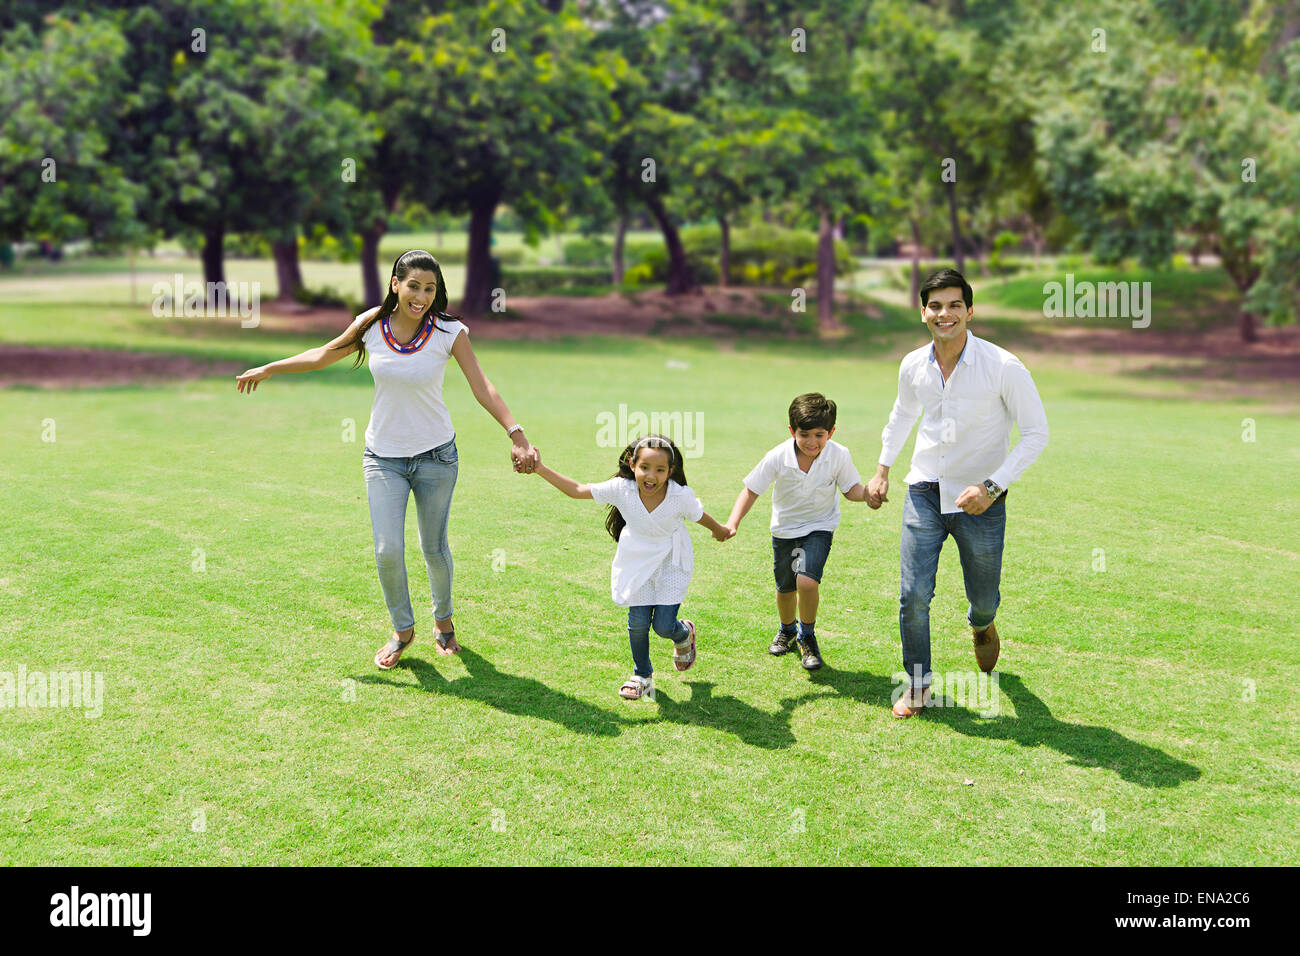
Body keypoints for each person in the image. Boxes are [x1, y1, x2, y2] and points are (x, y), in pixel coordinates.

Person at [235, 250, 539, 669]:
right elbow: (324, 354)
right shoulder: (371, 324)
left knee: (434, 546)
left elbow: (482, 387)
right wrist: (271, 367)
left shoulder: (450, 332)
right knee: (386, 549)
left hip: (437, 456)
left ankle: (444, 622)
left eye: (430, 288)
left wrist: (516, 434)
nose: (421, 296)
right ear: (395, 284)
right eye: (413, 285)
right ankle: (402, 630)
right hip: (383, 458)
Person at [866, 268, 1049, 718]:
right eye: (934, 305)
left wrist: (991, 486)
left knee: (983, 597)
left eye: (953, 305)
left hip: (982, 502)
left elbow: (1036, 434)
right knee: (913, 594)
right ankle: (917, 684)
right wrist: (882, 471)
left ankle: (982, 624)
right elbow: (901, 417)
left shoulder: (1003, 366)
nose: (943, 314)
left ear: (969, 310)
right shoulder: (913, 365)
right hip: (925, 490)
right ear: (922, 312)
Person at [529, 435, 732, 699]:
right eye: (645, 467)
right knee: (637, 623)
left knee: (662, 625)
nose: (651, 475)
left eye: (660, 470)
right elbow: (577, 490)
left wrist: (720, 530)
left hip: (671, 561)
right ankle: (642, 676)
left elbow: (699, 516)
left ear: (670, 471)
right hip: (636, 560)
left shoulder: (679, 496)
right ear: (632, 463)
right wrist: (540, 469)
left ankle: (683, 633)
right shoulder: (621, 489)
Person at [724, 393, 878, 671]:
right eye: (803, 433)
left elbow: (850, 489)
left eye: (819, 434)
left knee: (806, 582)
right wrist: (733, 523)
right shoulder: (778, 456)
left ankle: (807, 636)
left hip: (819, 528)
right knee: (785, 588)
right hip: (784, 531)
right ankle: (787, 630)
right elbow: (751, 489)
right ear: (791, 431)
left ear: (831, 432)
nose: (811, 441)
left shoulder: (838, 455)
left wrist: (867, 495)